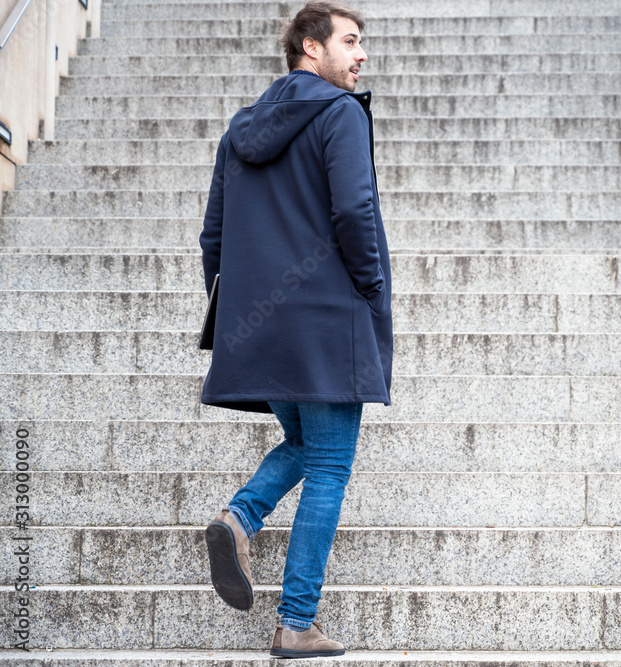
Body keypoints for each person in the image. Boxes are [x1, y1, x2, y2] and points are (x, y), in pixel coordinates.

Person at [196, 0, 391, 658]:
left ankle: (239, 517)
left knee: (305, 443)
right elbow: (356, 209)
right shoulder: (340, 113)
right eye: (352, 41)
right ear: (312, 48)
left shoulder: (239, 130)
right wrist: (369, 290)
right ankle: (296, 619)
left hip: (263, 325)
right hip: (329, 319)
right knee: (331, 461)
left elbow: (212, 236)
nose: (362, 56)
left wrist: (242, 317)